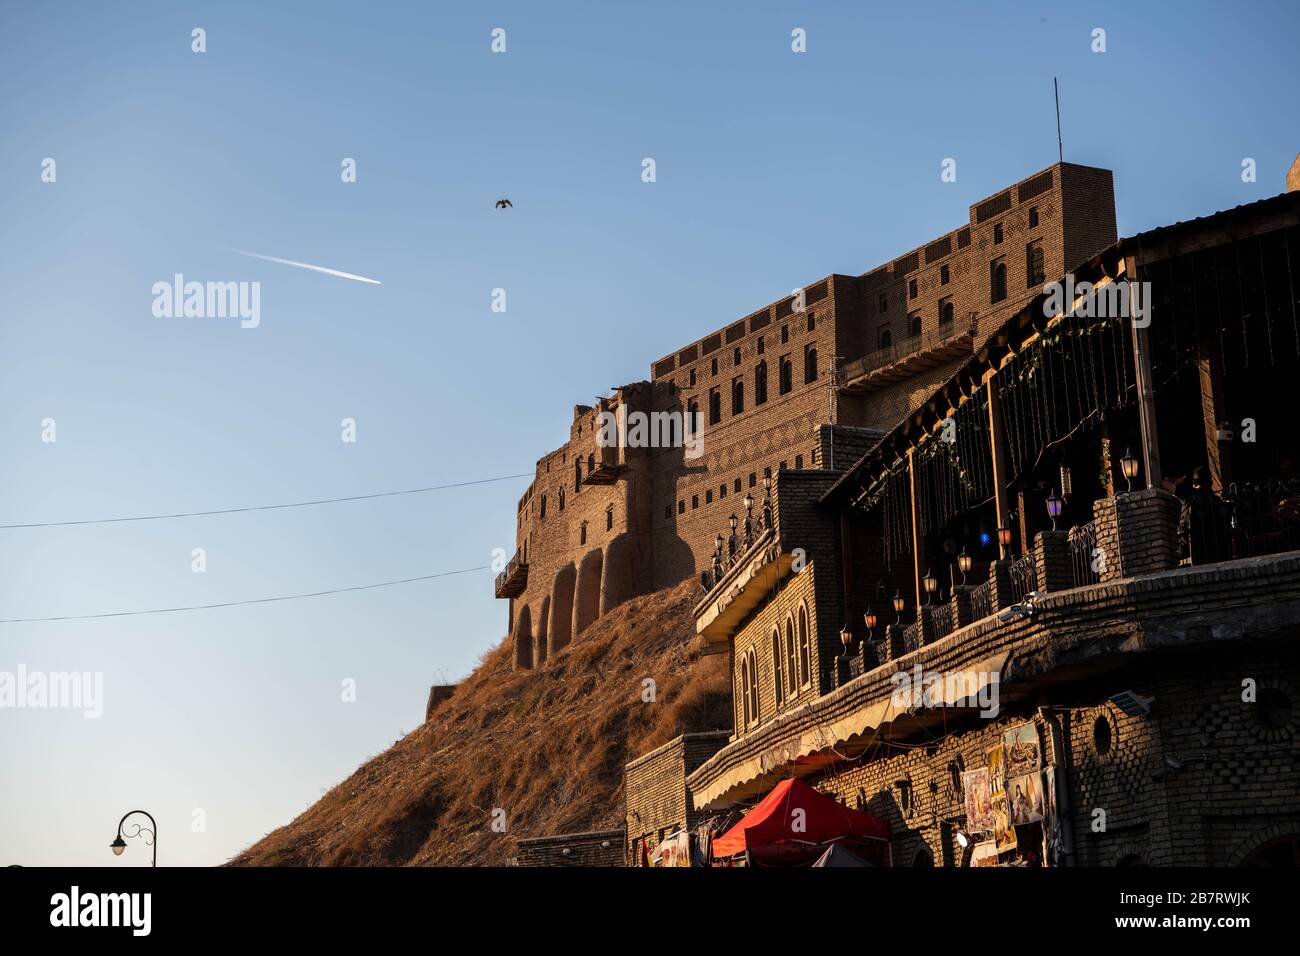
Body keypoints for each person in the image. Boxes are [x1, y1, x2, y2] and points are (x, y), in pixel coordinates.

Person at [1162, 466, 1232, 564]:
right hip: (1217, 549)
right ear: (1211, 483)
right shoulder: (1217, 501)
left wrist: (1178, 480)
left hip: (1191, 548)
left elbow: (1165, 483)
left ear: (1194, 483)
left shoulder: (1189, 495)